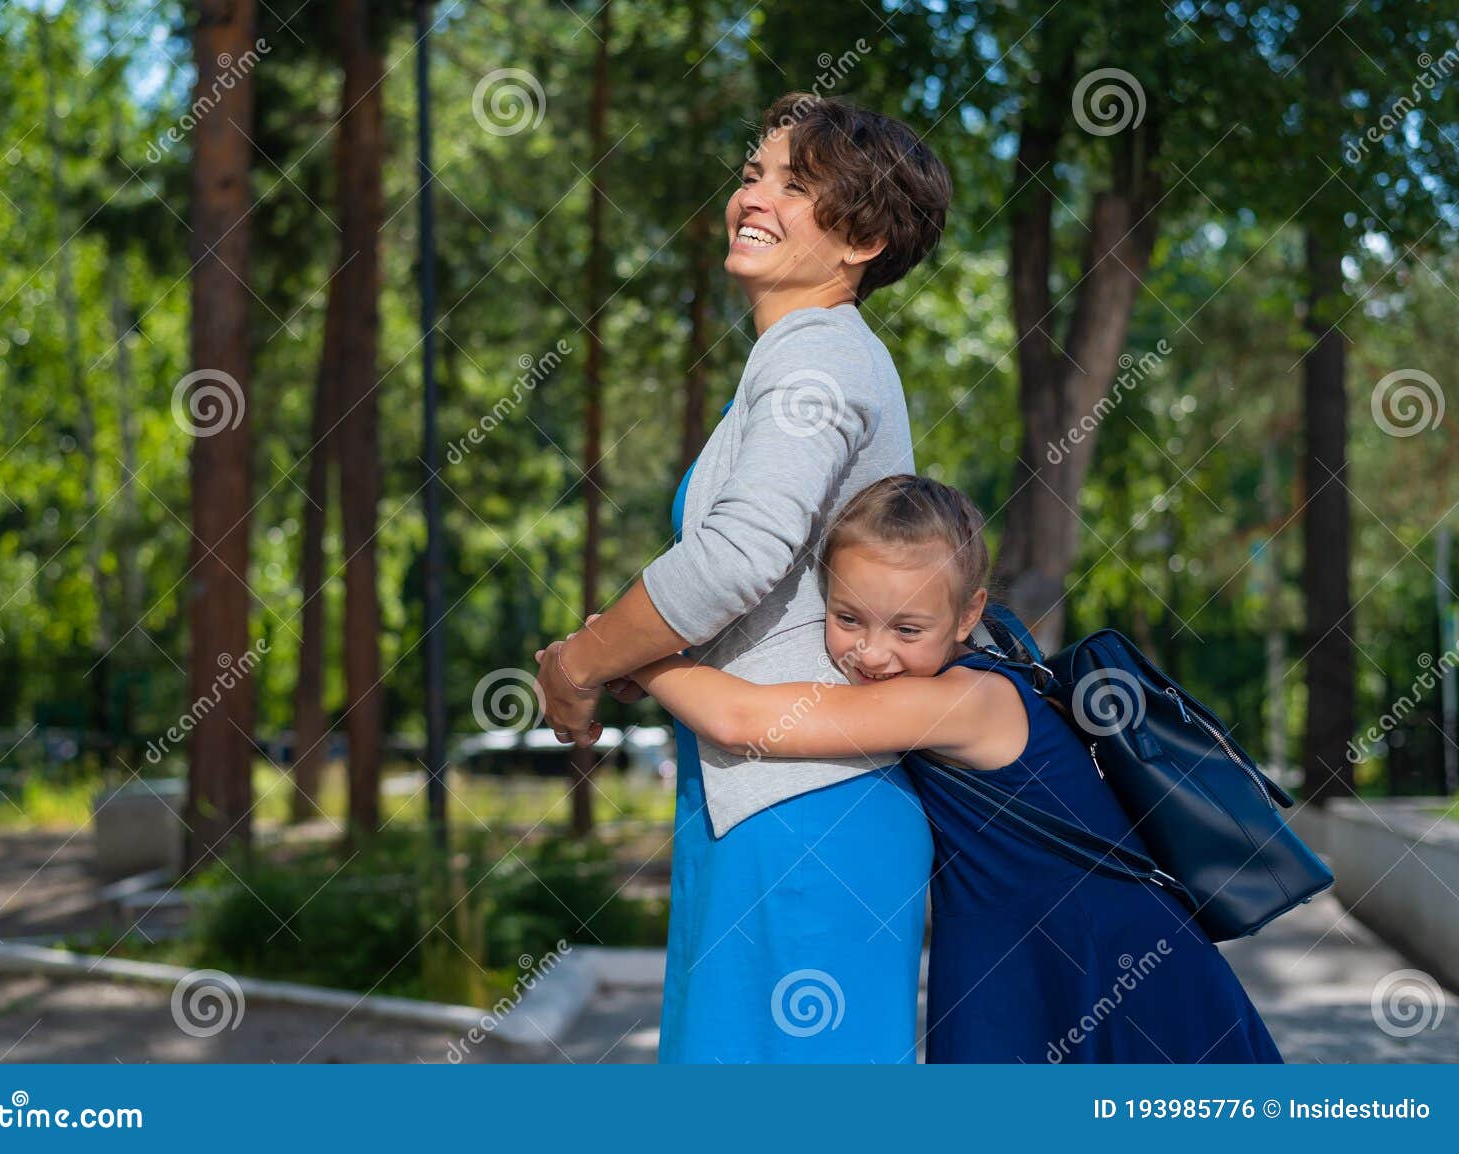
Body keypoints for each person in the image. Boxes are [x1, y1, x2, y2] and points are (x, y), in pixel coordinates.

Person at [585, 474, 1282, 1064]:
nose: (872, 653)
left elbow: (742, 722)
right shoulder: (979, 667)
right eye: (847, 617)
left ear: (966, 615)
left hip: (1115, 962)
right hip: (1030, 954)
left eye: (907, 629)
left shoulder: (963, 700)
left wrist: (627, 654)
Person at [534, 93, 953, 1062]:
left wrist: (582, 659)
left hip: (798, 822)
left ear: (867, 240)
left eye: (795, 185)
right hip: (770, 810)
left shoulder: (813, 362)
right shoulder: (807, 358)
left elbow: (737, 553)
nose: (752, 197)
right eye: (752, 173)